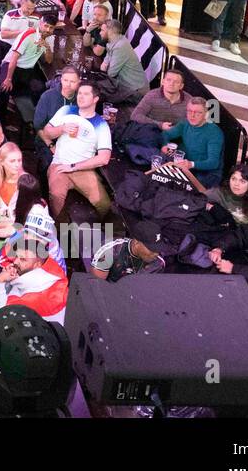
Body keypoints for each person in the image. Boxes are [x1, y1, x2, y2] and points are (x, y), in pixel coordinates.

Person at [42, 82, 113, 218]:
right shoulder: (66, 110)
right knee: (56, 195)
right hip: (59, 165)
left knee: (104, 204)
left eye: (86, 94)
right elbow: (46, 132)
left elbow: (104, 158)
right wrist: (61, 128)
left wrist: (73, 166)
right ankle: (58, 231)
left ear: (95, 99)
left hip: (83, 169)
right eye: (79, 93)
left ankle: (97, 233)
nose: (81, 96)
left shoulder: (101, 124)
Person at [160, 97, 226, 189]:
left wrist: (191, 164)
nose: (192, 115)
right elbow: (166, 134)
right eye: (189, 111)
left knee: (183, 188)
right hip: (185, 166)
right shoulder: (185, 123)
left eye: (197, 113)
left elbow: (213, 163)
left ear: (206, 114)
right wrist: (165, 145)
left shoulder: (214, 132)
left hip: (207, 173)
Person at [91, 221, 168, 281]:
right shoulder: (109, 251)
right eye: (151, 248)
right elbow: (97, 287)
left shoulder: (158, 263)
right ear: (136, 242)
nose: (156, 253)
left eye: (158, 248)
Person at [97, 20, 148, 106]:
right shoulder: (113, 42)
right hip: (126, 86)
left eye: (102, 30)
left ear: (110, 31)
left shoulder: (120, 46)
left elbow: (111, 73)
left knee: (99, 97)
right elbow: (103, 66)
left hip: (136, 91)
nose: (100, 33)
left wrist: (105, 66)